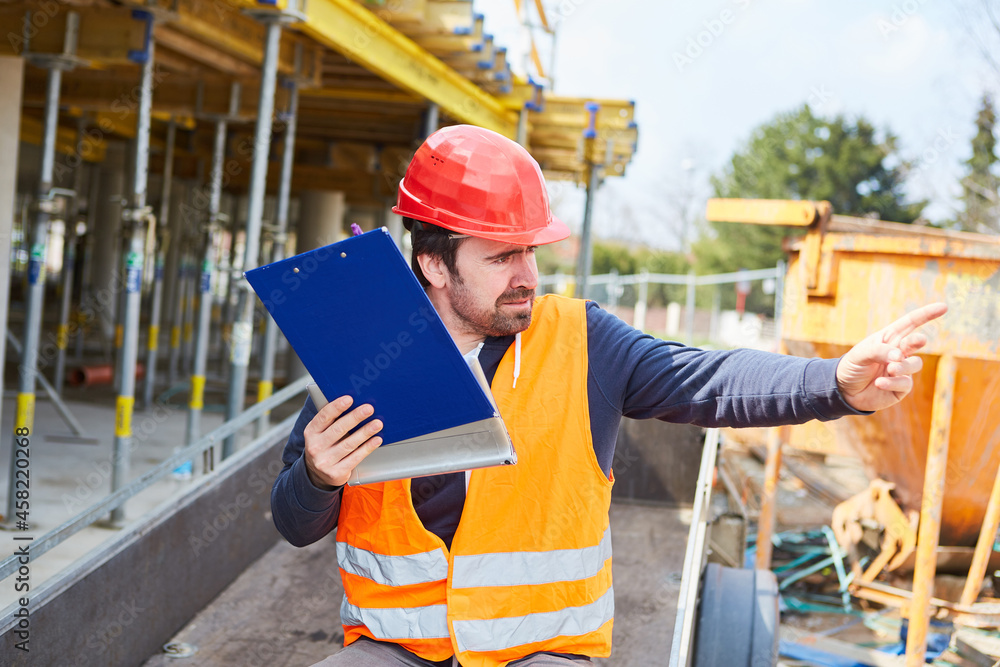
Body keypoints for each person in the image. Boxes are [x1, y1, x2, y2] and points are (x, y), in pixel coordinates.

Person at [270, 125, 946, 667]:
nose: (527, 276)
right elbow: (294, 521)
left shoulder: (582, 341)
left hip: (541, 653)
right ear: (433, 263)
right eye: (502, 257)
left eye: (531, 251)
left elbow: (710, 381)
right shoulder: (363, 353)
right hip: (397, 649)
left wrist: (833, 383)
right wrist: (318, 476)